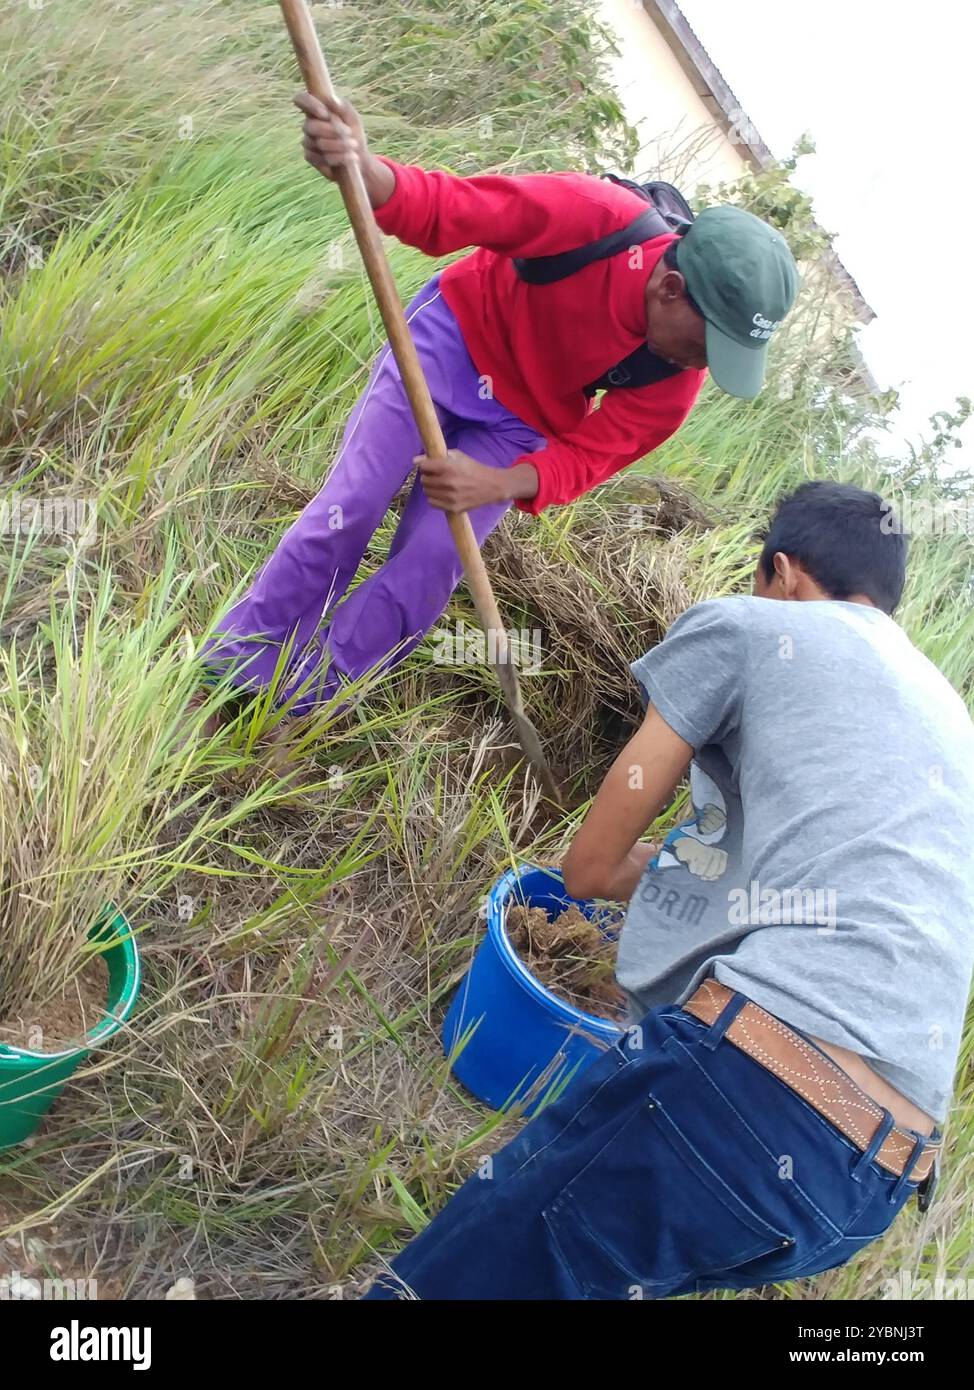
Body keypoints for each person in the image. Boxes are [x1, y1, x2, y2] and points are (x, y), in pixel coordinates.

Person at [365, 481, 974, 1300]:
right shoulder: (945, 715)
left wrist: (639, 868)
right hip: (866, 1191)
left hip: (751, 1096)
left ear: (783, 573)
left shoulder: (756, 625)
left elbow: (589, 868)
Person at [201, 93, 799, 712]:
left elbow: (588, 458)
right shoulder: (594, 216)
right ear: (671, 289)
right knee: (352, 504)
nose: (703, 368)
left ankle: (302, 697)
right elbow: (456, 208)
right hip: (451, 340)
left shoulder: (673, 379)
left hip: (525, 422)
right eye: (709, 347)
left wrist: (497, 482)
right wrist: (364, 170)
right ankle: (240, 656)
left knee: (433, 563)